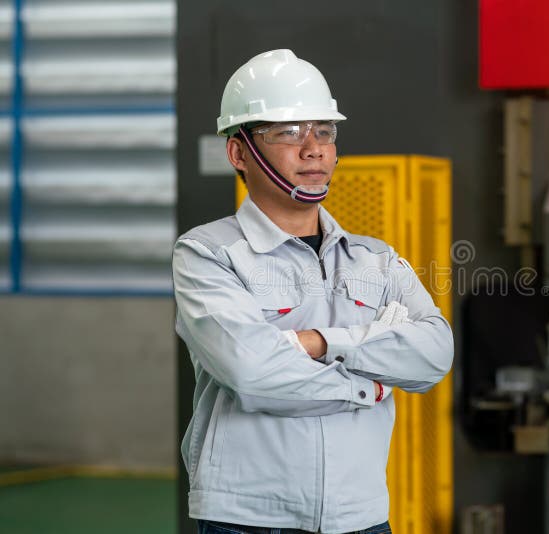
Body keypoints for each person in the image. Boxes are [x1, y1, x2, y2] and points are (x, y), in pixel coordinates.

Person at [172, 49, 454, 534]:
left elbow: (434, 354)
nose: (314, 149)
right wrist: (372, 381)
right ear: (239, 152)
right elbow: (252, 372)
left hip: (360, 515)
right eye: (288, 132)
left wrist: (319, 343)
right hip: (247, 518)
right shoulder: (208, 253)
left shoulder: (376, 258)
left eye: (323, 131)